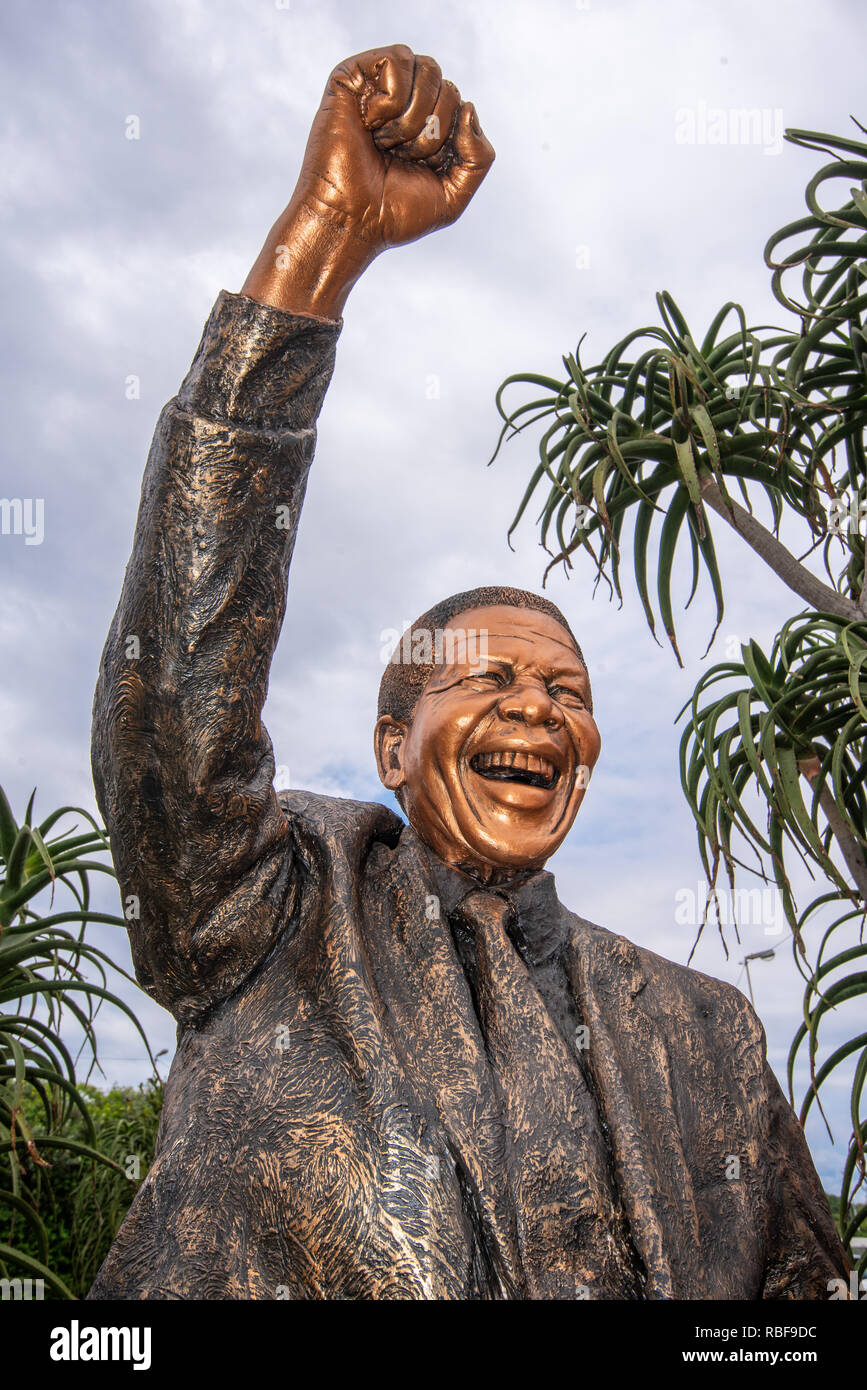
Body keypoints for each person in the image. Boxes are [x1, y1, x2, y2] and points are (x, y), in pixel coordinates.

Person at [88, 45, 848, 1300]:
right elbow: (174, 679)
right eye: (489, 679)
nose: (537, 709)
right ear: (392, 746)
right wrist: (324, 240)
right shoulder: (265, 917)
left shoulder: (711, 1035)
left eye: (569, 692)